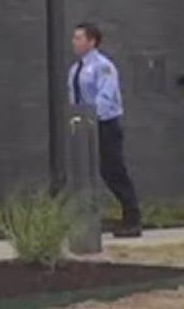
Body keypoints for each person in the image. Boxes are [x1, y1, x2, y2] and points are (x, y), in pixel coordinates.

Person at [70, 21, 142, 236]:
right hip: (85, 126)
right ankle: (90, 218)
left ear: (92, 42)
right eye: (74, 38)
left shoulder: (103, 67)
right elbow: (74, 98)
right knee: (91, 171)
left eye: (79, 38)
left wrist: (90, 116)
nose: (74, 42)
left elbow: (105, 96)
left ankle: (133, 218)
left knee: (114, 171)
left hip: (105, 124)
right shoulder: (76, 69)